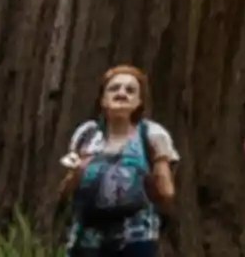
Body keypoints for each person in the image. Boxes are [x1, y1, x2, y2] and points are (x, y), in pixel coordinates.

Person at [59, 65, 179, 257]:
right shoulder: (87, 135)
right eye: (114, 89)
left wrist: (155, 177)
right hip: (87, 238)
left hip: (136, 235)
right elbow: (66, 190)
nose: (122, 94)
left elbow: (167, 191)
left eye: (130, 90)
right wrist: (77, 172)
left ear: (139, 102)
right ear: (103, 99)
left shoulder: (152, 135)